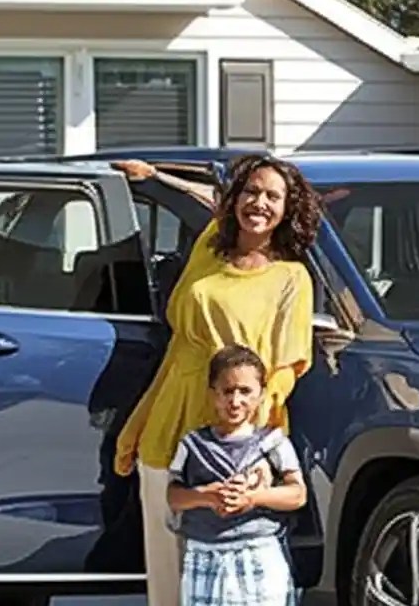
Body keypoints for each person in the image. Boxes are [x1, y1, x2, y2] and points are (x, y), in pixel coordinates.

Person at [111, 154, 321, 606]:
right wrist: (138, 424)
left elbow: (286, 369)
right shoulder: (209, 246)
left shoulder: (292, 278)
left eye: (273, 196)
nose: (259, 203)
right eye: (251, 191)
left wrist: (256, 445)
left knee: (236, 580)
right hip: (171, 419)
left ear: (288, 209)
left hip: (236, 432)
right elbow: (177, 348)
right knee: (169, 578)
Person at [168, 343, 307, 606]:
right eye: (227, 391)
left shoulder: (273, 444)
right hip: (205, 554)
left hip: (258, 552)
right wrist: (205, 496)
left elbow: (297, 494)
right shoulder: (193, 445)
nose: (235, 401)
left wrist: (253, 498)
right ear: (213, 394)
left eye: (245, 391)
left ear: (261, 394)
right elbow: (174, 496)